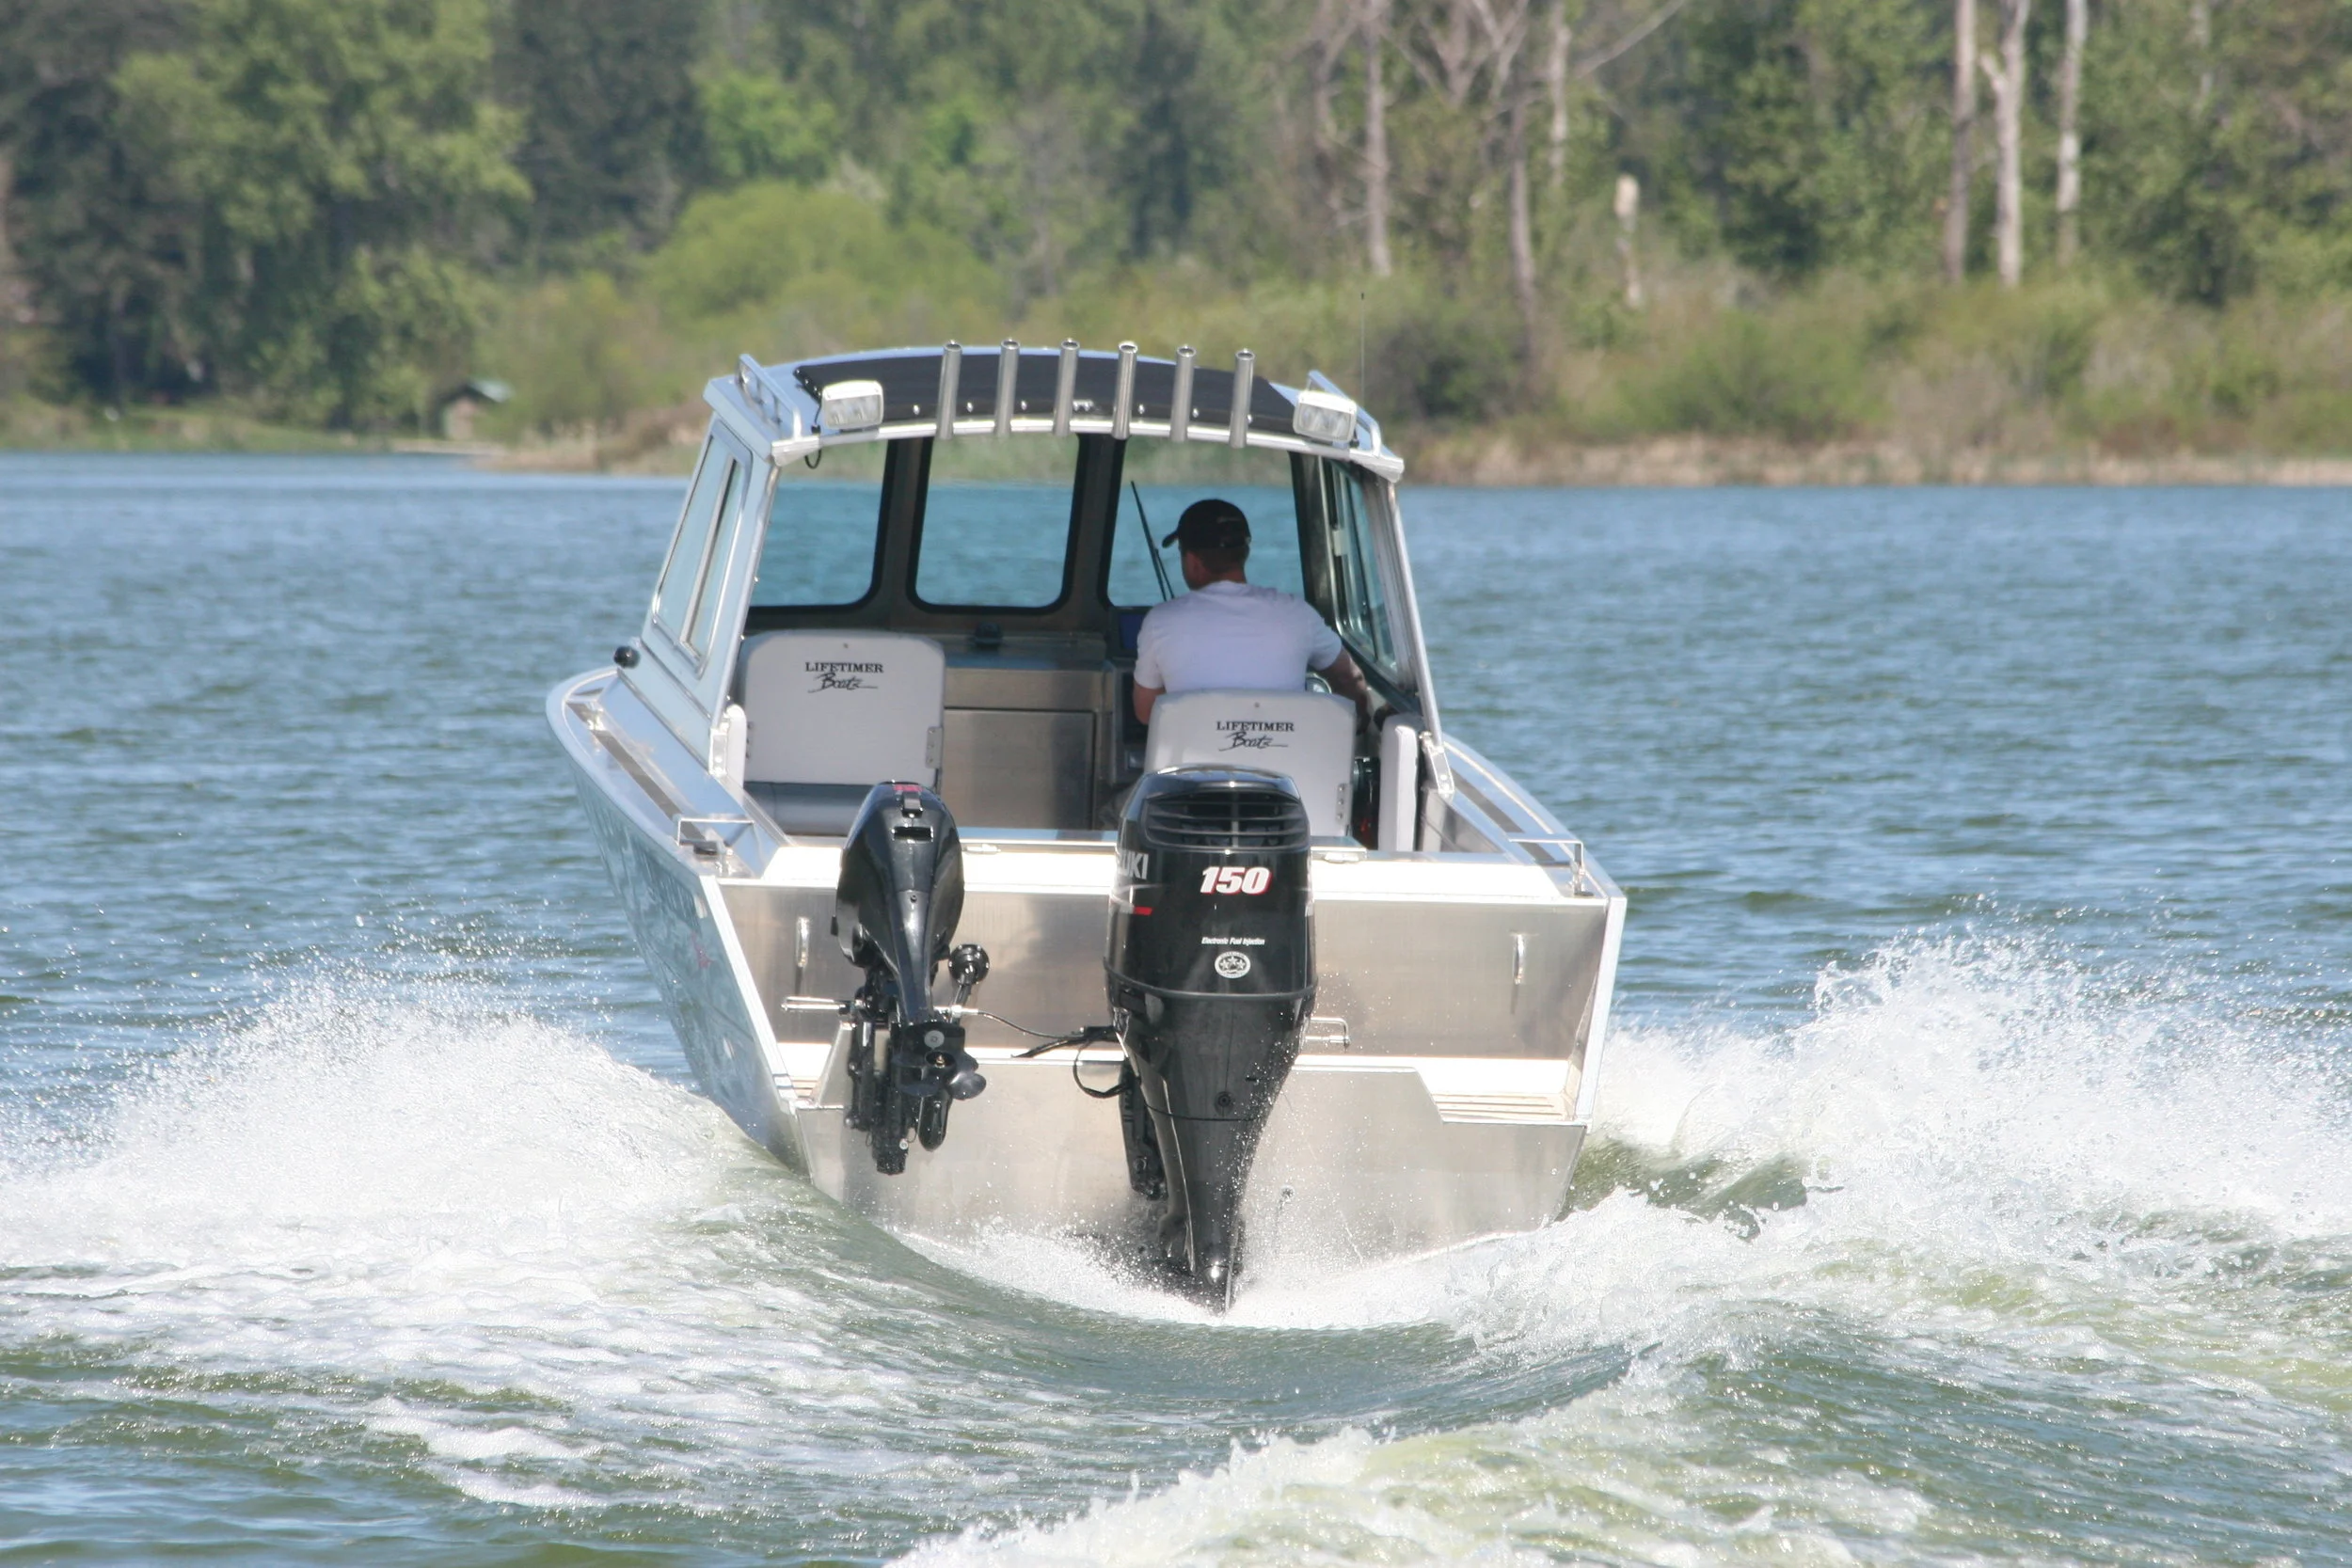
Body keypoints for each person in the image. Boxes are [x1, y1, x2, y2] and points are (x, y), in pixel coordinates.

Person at [1132, 499, 1375, 724]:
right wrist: (1357, 727)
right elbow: (1349, 678)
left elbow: (1146, 713)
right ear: (1245, 552)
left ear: (1192, 560)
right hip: (1289, 758)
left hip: (1192, 758)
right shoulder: (1298, 613)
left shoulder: (1159, 620)